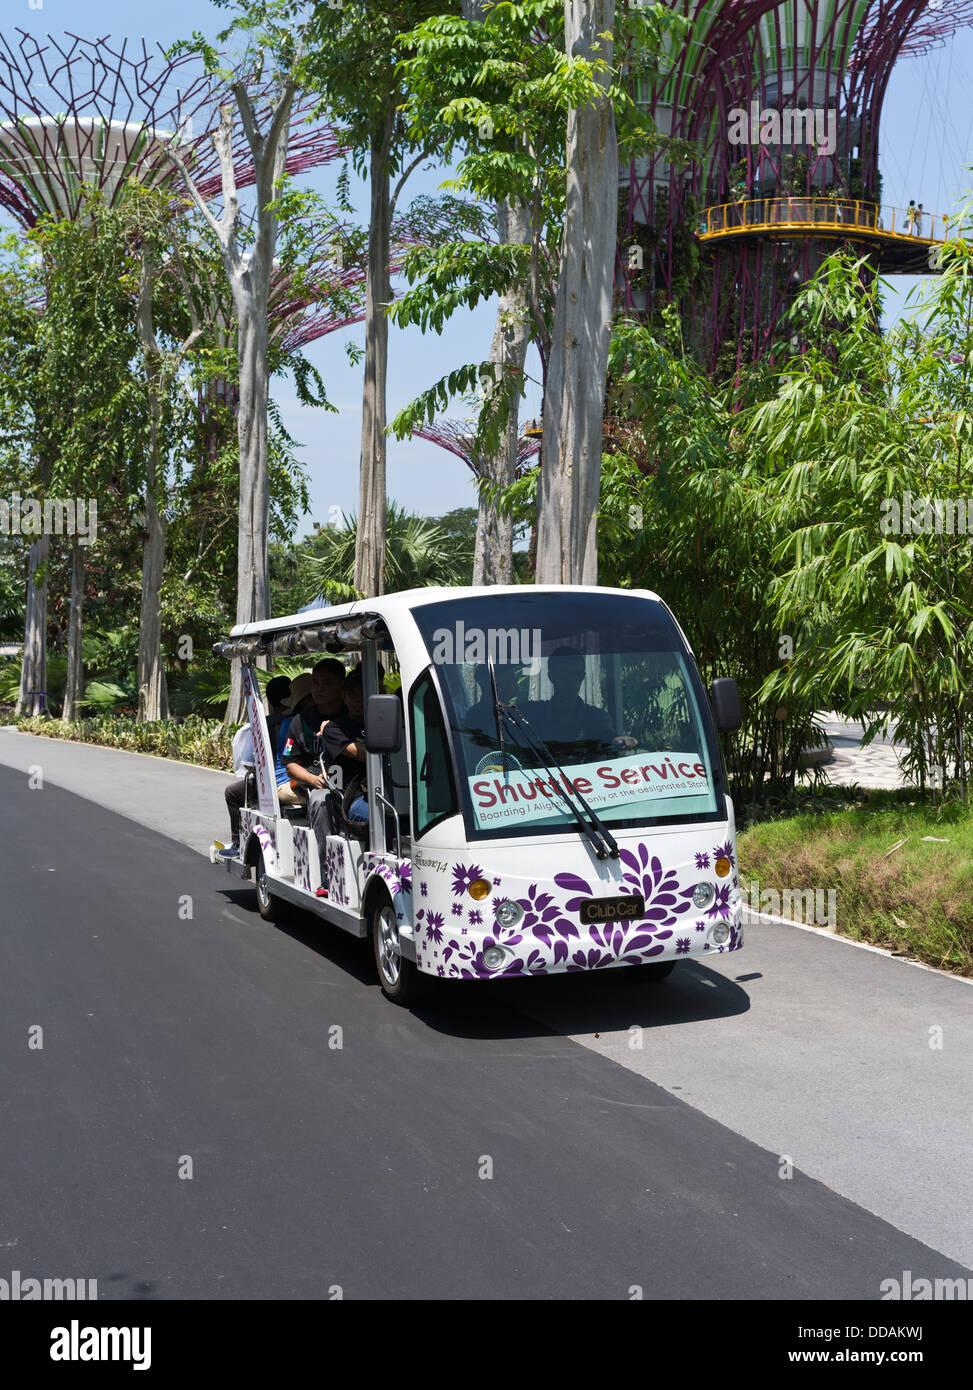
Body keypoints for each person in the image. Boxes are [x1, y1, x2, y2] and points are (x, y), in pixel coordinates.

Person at [284, 659, 361, 876]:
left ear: (341, 687)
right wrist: (311, 779)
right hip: (319, 787)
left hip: (354, 787)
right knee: (320, 801)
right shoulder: (300, 721)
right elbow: (290, 764)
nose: (319, 689)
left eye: (327, 683)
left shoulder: (353, 716)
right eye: (316, 683)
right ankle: (329, 873)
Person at [220, 674, 292, 858]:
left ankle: (237, 843)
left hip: (272, 784)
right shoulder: (301, 719)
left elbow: (248, 764)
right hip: (298, 779)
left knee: (232, 793)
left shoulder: (262, 725)